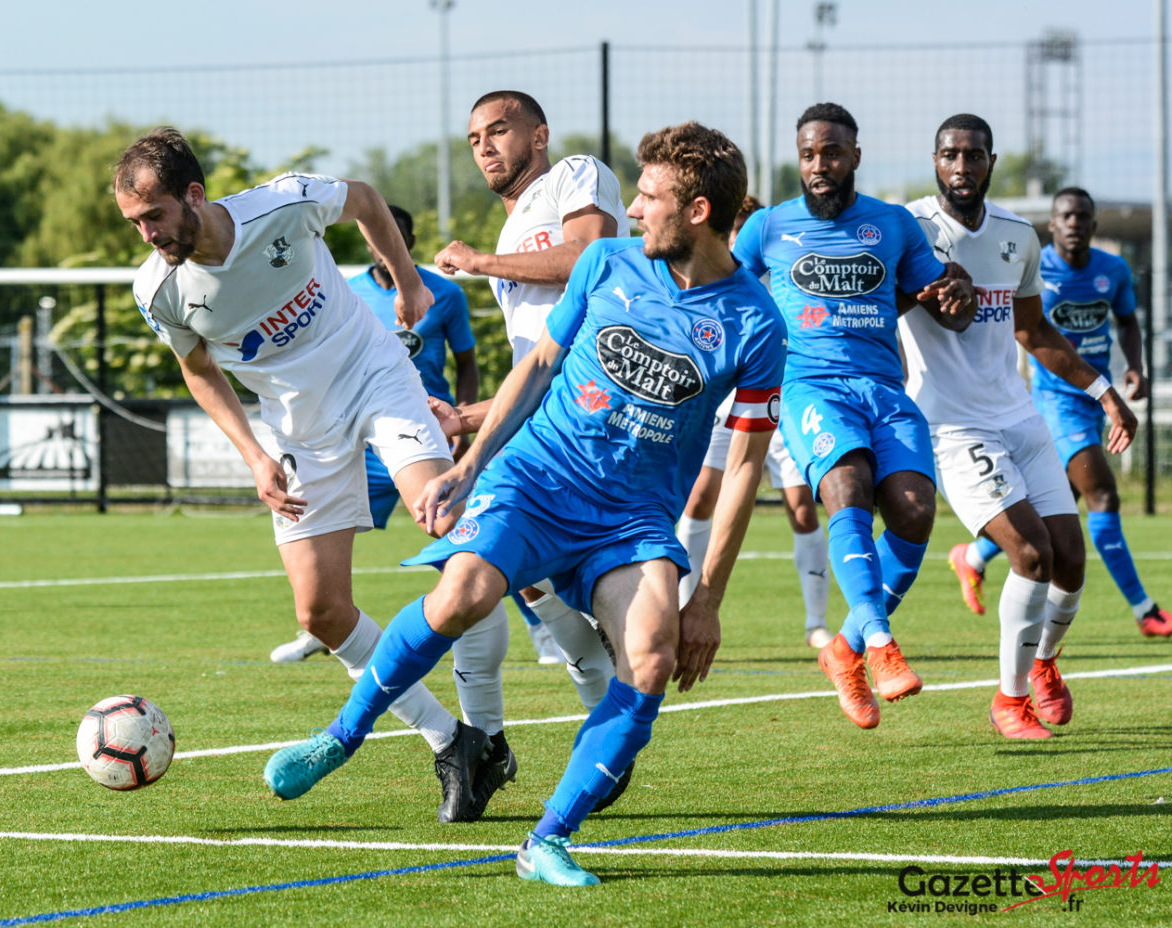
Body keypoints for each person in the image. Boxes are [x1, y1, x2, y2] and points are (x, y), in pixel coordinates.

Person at [264, 121, 786, 886]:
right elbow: (540, 362)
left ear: (699, 211)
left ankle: (547, 840)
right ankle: (341, 737)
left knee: (650, 657)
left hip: (633, 521)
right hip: (540, 478)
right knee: (461, 596)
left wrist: (705, 596)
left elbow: (743, 468)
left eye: (648, 197)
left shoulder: (757, 323)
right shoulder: (607, 264)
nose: (633, 212)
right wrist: (472, 465)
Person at [115, 127, 498, 823]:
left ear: (193, 196)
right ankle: (455, 741)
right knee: (320, 614)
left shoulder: (283, 203)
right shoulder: (158, 289)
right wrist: (255, 457)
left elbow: (368, 202)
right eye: (134, 222)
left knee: (449, 528)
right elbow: (197, 368)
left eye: (154, 216)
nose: (146, 234)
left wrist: (408, 282)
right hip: (298, 433)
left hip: (376, 377)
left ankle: (493, 725)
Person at [732, 102, 978, 729]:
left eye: (833, 152)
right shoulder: (766, 227)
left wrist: (960, 292)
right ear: (799, 158)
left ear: (855, 157)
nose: (820, 165)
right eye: (810, 153)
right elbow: (726, 294)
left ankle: (842, 649)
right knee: (848, 486)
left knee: (916, 513)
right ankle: (878, 641)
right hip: (810, 385)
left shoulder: (893, 225)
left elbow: (943, 304)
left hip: (885, 388)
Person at [899, 115, 1138, 739]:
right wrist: (928, 289)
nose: (961, 167)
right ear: (935, 160)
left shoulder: (1016, 236)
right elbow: (876, 308)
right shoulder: (911, 229)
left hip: (1020, 417)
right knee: (1030, 554)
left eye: (973, 156)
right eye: (950, 155)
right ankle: (1008, 701)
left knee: (1071, 564)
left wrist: (1105, 390)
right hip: (952, 426)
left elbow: (1033, 331)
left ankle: (1044, 666)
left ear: (990, 163)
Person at [430, 89, 629, 795]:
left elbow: (590, 257)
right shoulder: (513, 233)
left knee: (516, 571)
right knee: (503, 569)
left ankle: (500, 743)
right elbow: (536, 367)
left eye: (499, 130)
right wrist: (470, 417)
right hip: (550, 421)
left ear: (538, 134)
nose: (484, 146)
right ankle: (508, 740)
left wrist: (480, 262)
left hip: (602, 420)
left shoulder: (575, 174)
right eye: (474, 137)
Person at [953, 187, 1172, 638]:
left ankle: (971, 558)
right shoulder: (1037, 267)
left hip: (1093, 398)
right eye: (1065, 217)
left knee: (1058, 505)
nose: (1074, 223)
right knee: (1104, 496)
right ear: (1051, 226)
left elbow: (1129, 320)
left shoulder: (1113, 270)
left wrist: (1134, 365)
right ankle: (1145, 609)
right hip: (1052, 401)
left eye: (1082, 217)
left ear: (1093, 225)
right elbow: (1025, 330)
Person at [268, 203, 478, 664]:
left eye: (400, 240)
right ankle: (327, 628)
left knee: (459, 528)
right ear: (370, 241)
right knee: (326, 536)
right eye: (384, 239)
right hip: (355, 436)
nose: (390, 249)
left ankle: (544, 626)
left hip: (416, 424)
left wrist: (461, 420)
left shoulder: (444, 294)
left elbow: (466, 362)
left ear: (410, 244)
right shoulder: (346, 291)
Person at [677, 195, 831, 648]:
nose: (737, 239)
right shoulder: (709, 274)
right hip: (727, 401)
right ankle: (686, 608)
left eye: (745, 229)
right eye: (732, 231)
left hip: (782, 398)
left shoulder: (781, 265)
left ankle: (815, 624)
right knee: (700, 498)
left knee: (802, 509)